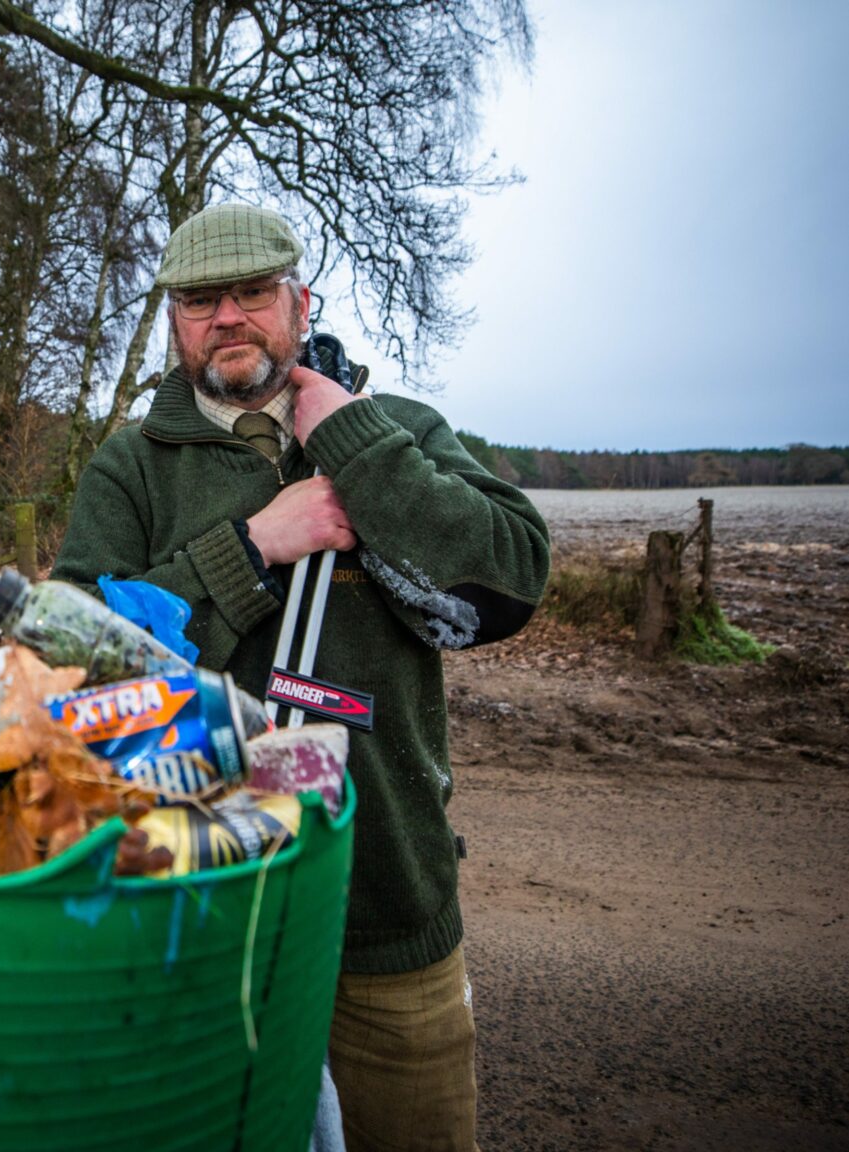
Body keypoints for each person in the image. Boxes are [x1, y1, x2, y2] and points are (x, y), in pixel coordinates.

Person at [53, 203, 551, 1151]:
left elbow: (510, 578)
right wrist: (252, 547)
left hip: (386, 909)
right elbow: (71, 664)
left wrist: (356, 445)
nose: (227, 317)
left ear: (299, 301)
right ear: (172, 321)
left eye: (252, 292)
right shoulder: (130, 466)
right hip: (188, 905)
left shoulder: (393, 431)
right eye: (201, 300)